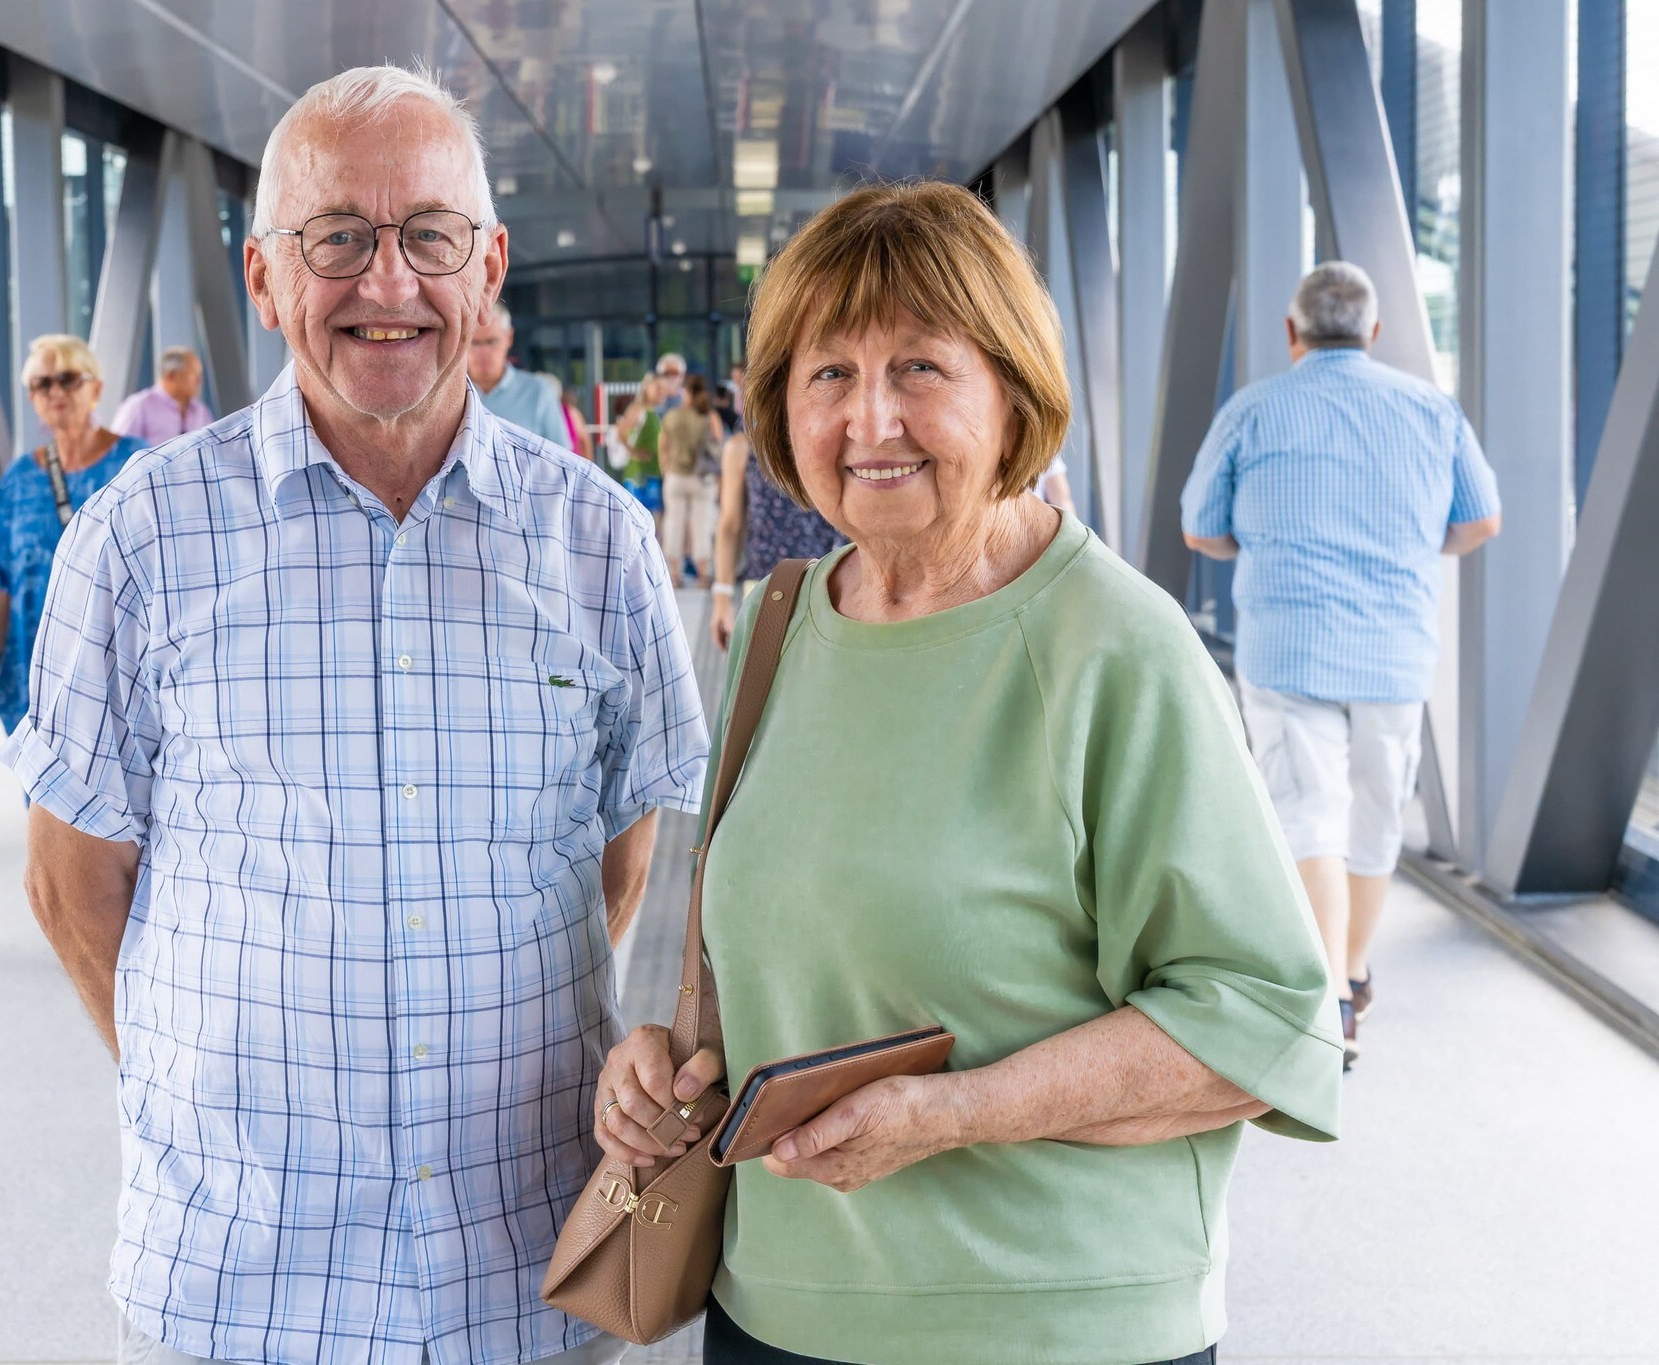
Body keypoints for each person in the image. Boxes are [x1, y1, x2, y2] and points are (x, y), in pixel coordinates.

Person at [4, 64, 705, 1365]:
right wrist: (199, 1074)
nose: (389, 284)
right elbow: (71, 886)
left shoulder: (599, 542)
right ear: (267, 279)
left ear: (487, 267)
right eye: (338, 238)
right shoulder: (139, 539)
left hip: (526, 1271)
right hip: (241, 1276)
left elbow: (628, 855)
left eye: (429, 236)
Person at [592, 181, 1341, 1365]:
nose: (867, 418)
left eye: (919, 369)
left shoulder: (1116, 647)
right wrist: (669, 1065)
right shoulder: (782, 626)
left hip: (1051, 1326)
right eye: (826, 372)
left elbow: (1258, 1021)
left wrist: (952, 1117)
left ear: (1010, 393)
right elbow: (783, 956)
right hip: (773, 1312)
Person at [1181, 259, 1501, 1066]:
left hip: (1286, 648)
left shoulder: (1252, 409)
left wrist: (1254, 542)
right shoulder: (1433, 410)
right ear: (1375, 332)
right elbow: (1482, 521)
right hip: (1393, 649)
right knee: (1376, 813)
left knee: (1306, 811)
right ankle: (1352, 974)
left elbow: (1199, 528)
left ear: (1292, 335)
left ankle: (1326, 1000)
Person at [0, 335, 144, 734]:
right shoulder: (20, 480)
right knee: (38, 795)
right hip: (36, 674)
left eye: (68, 378)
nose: (56, 391)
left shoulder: (138, 464)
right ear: (32, 399)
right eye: (43, 384)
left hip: (124, 668)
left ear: (96, 388)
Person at [708, 428, 843, 649]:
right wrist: (722, 597)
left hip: (827, 582)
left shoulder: (825, 434)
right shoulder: (742, 446)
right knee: (765, 675)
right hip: (766, 587)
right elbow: (729, 525)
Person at [468, 300, 572, 447]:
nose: (483, 352)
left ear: (509, 338)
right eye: (475, 343)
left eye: (491, 342)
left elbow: (562, 458)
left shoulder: (538, 392)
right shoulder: (449, 394)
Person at [658, 373, 724, 584]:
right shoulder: (709, 416)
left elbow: (663, 447)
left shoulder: (671, 416)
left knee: (673, 523)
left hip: (675, 476)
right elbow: (719, 445)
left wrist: (666, 470)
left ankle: (674, 574)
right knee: (702, 524)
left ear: (685, 392)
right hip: (702, 478)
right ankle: (703, 574)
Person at [109, 345, 213, 447]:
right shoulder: (138, 406)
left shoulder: (202, 412)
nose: (200, 381)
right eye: (193, 375)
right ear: (171, 376)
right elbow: (119, 451)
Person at [615, 373, 667, 527]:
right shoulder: (638, 409)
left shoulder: (655, 412)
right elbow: (620, 432)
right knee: (638, 520)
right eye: (657, 388)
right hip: (639, 474)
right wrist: (633, 452)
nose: (661, 392)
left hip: (653, 471)